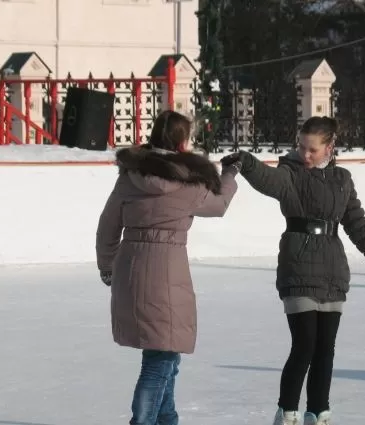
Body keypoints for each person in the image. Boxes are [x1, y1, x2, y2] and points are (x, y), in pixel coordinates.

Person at [220, 116, 365, 425]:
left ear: (329, 148)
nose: (304, 154)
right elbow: (267, 179)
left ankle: (318, 412)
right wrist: (245, 161)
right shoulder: (291, 174)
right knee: (305, 344)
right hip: (298, 268)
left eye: (312, 149)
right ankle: (287, 412)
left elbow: (360, 228)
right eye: (301, 147)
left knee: (326, 348)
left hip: (332, 272)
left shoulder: (342, 180)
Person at [96, 110, 240, 425]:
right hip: (168, 275)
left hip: (131, 271)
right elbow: (219, 205)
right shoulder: (188, 183)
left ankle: (167, 420)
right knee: (159, 358)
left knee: (166, 353)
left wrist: (108, 266)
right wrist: (230, 174)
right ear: (182, 141)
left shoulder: (129, 177)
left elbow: (108, 226)